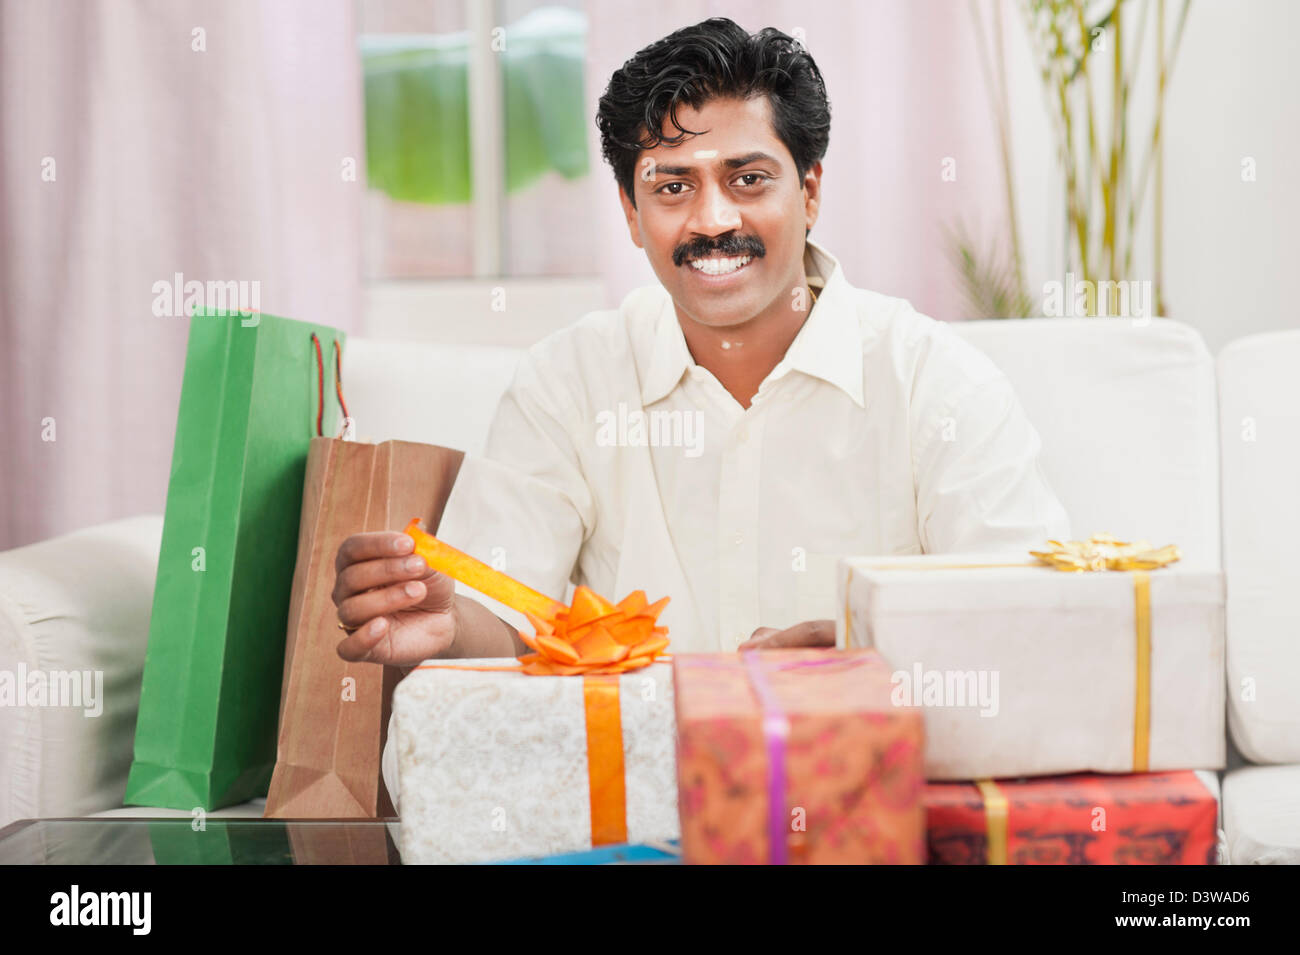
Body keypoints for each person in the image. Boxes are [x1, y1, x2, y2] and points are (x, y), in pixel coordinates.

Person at [333, 17, 1070, 671]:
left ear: (810, 192)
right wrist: (443, 623)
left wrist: (872, 645)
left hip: (867, 798)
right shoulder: (570, 381)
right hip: (641, 806)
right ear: (630, 210)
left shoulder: (936, 384)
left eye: (748, 179)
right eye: (673, 187)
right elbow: (500, 609)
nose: (713, 220)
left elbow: (1026, 620)